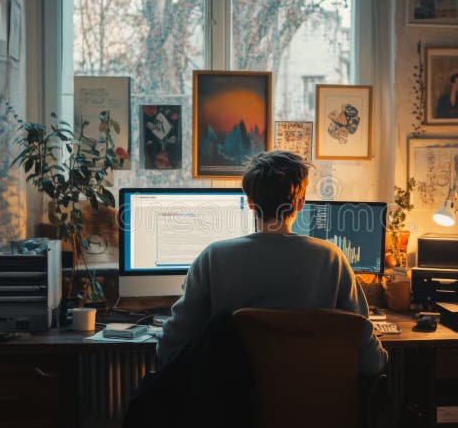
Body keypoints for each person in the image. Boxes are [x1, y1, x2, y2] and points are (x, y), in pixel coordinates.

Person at [157, 150, 388, 378]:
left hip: (234, 401)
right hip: (315, 400)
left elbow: (170, 346)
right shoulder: (331, 258)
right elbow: (371, 361)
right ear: (300, 203)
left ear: (250, 202)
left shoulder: (212, 258)